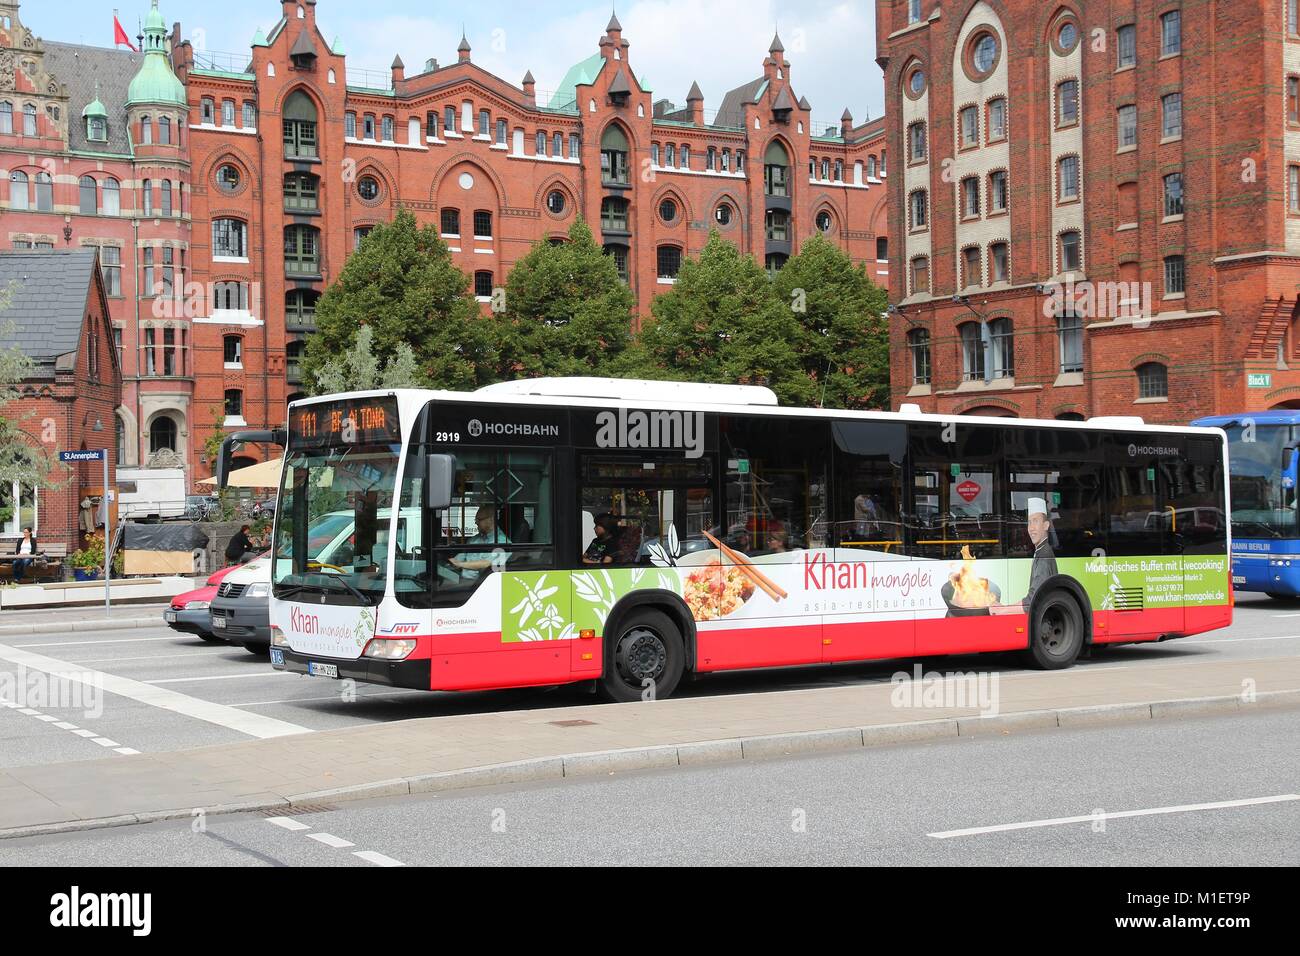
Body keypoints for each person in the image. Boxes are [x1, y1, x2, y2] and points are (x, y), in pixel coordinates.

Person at [450, 505, 512, 578]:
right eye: (476, 519)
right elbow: (459, 559)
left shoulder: (502, 542)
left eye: (479, 519)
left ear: (491, 519)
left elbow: (486, 564)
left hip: (479, 583)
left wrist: (459, 564)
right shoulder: (473, 540)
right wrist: (451, 562)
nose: (476, 522)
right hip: (462, 579)